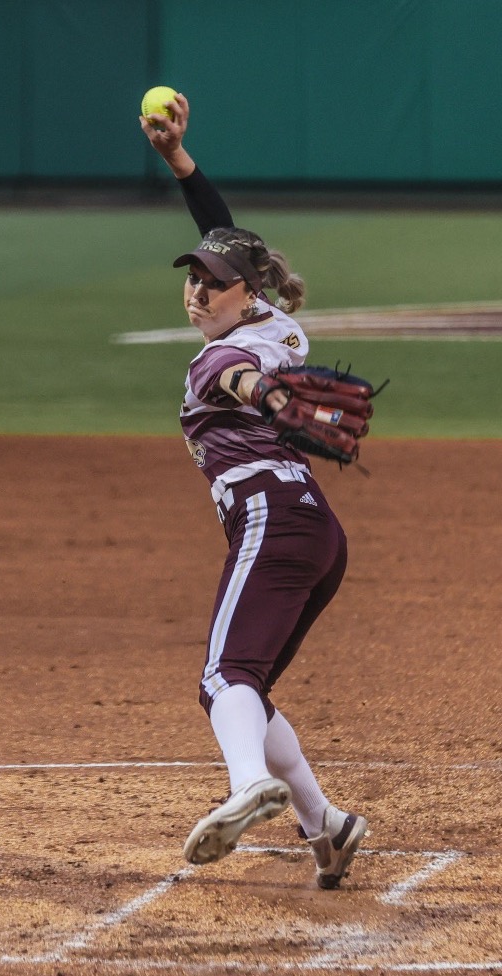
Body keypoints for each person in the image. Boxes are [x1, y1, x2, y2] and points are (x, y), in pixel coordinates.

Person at [139, 93, 368, 889]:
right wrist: (182, 166)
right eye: (195, 278)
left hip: (271, 521)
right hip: (318, 533)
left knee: (221, 678)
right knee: (250, 686)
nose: (200, 293)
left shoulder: (219, 359)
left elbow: (234, 378)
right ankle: (327, 826)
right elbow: (228, 236)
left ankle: (246, 789)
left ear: (247, 292)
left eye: (214, 284)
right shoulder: (276, 320)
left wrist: (266, 398)